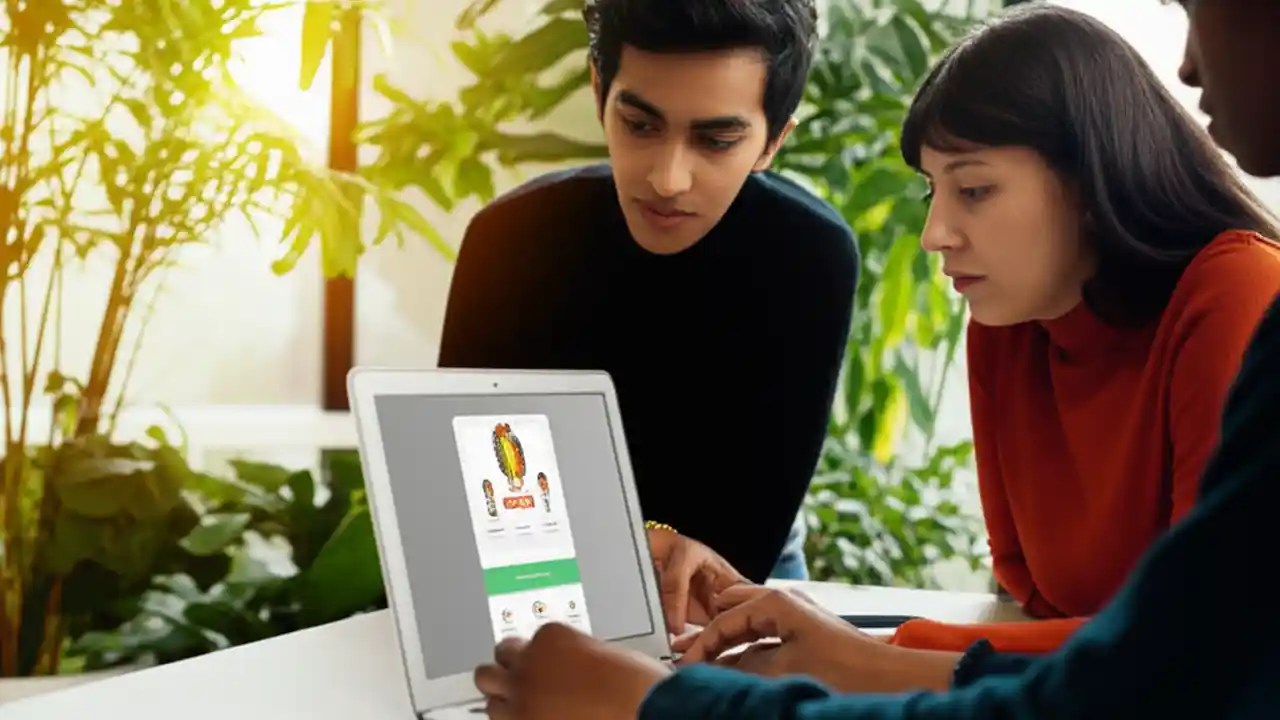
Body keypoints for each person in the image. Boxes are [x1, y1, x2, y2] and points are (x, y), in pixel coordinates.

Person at [471, 0, 1280, 716]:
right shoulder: (1007, 323)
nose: (933, 236)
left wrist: (879, 656)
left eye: (975, 189)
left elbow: (1191, 651)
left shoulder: (1239, 293)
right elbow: (1034, 598)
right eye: (934, 191)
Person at [436, 0, 857, 591]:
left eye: (716, 141)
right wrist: (642, 535)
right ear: (598, 90)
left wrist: (577, 525)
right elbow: (467, 495)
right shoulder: (511, 238)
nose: (667, 179)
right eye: (640, 126)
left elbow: (736, 547)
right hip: (532, 569)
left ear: (772, 142)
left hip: (733, 574)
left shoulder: (807, 255)